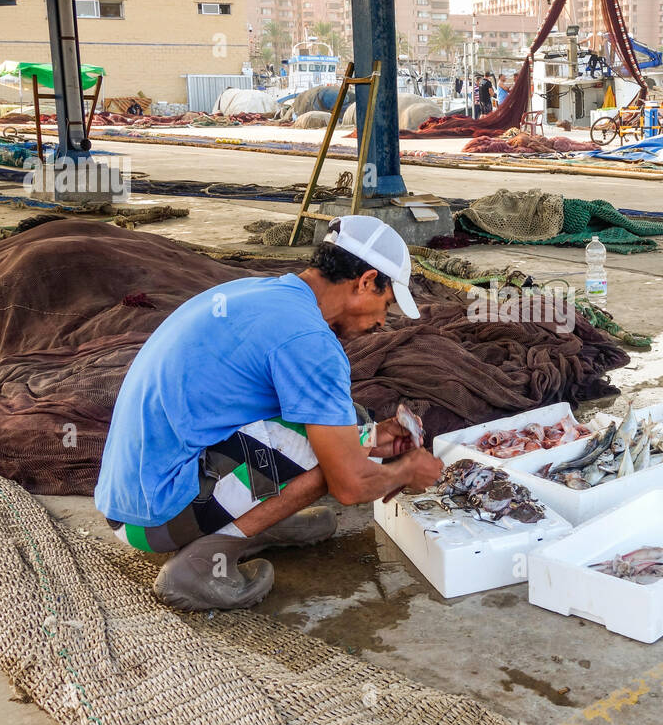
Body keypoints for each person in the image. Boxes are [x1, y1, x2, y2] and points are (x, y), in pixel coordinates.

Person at [95, 215, 444, 611]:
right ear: (365, 281)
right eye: (386, 305)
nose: (382, 322)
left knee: (349, 421)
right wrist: (406, 471)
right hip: (154, 517)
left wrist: (369, 435)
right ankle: (201, 565)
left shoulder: (263, 293)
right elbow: (349, 486)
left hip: (129, 495)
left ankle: (260, 522)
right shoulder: (311, 341)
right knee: (335, 457)